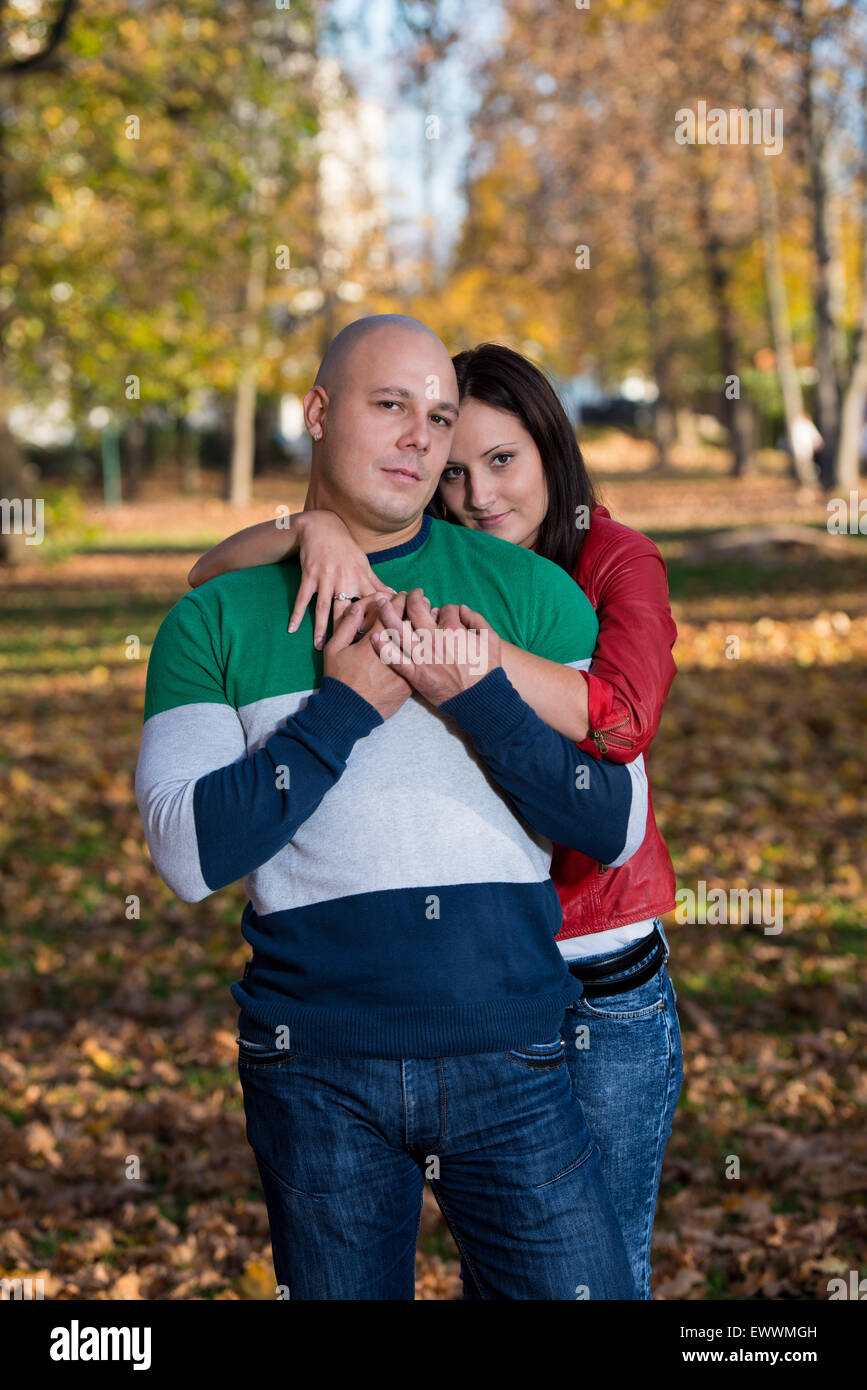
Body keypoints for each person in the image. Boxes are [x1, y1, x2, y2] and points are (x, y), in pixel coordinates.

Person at [137, 314, 646, 1301]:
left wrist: (478, 703)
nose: (423, 436)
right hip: (314, 1069)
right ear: (319, 414)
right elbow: (187, 854)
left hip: (518, 1056)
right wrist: (343, 712)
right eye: (391, 406)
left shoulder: (532, 594)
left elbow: (612, 823)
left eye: (441, 415)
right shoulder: (214, 615)